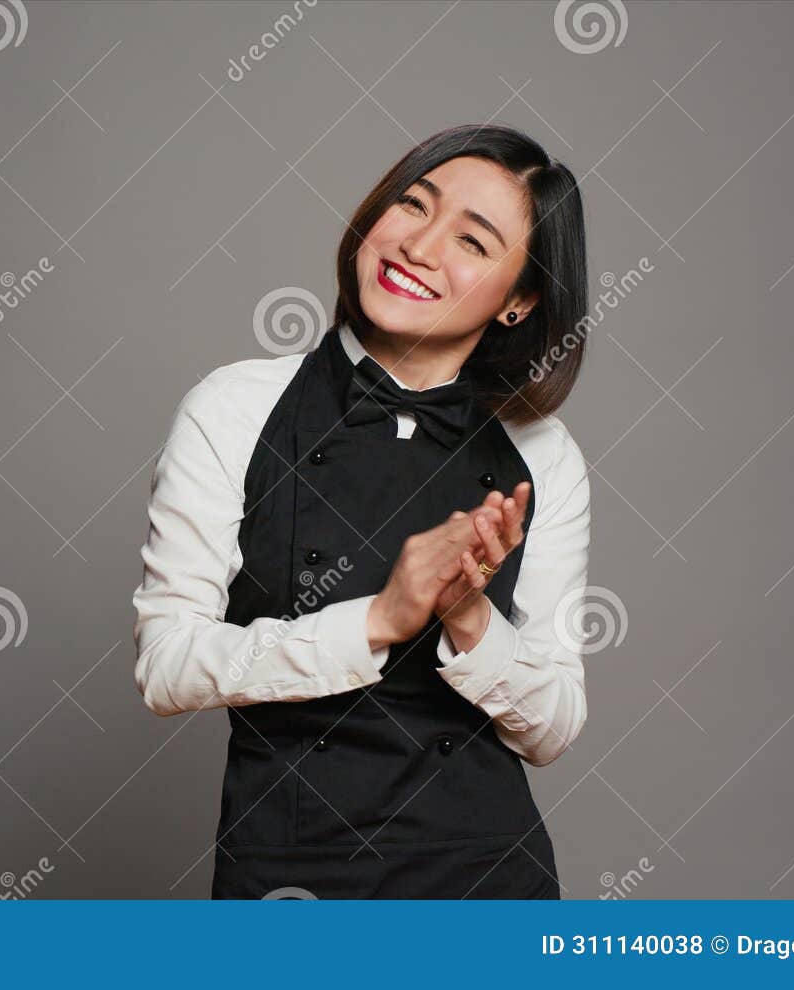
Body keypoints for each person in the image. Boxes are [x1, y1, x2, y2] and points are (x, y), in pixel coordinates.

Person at [131, 124, 592, 898]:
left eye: (472, 243)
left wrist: (469, 617)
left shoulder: (542, 455)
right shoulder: (234, 407)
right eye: (414, 205)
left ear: (520, 300)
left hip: (487, 879)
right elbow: (165, 668)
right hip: (291, 871)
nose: (419, 245)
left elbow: (552, 727)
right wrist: (380, 618)